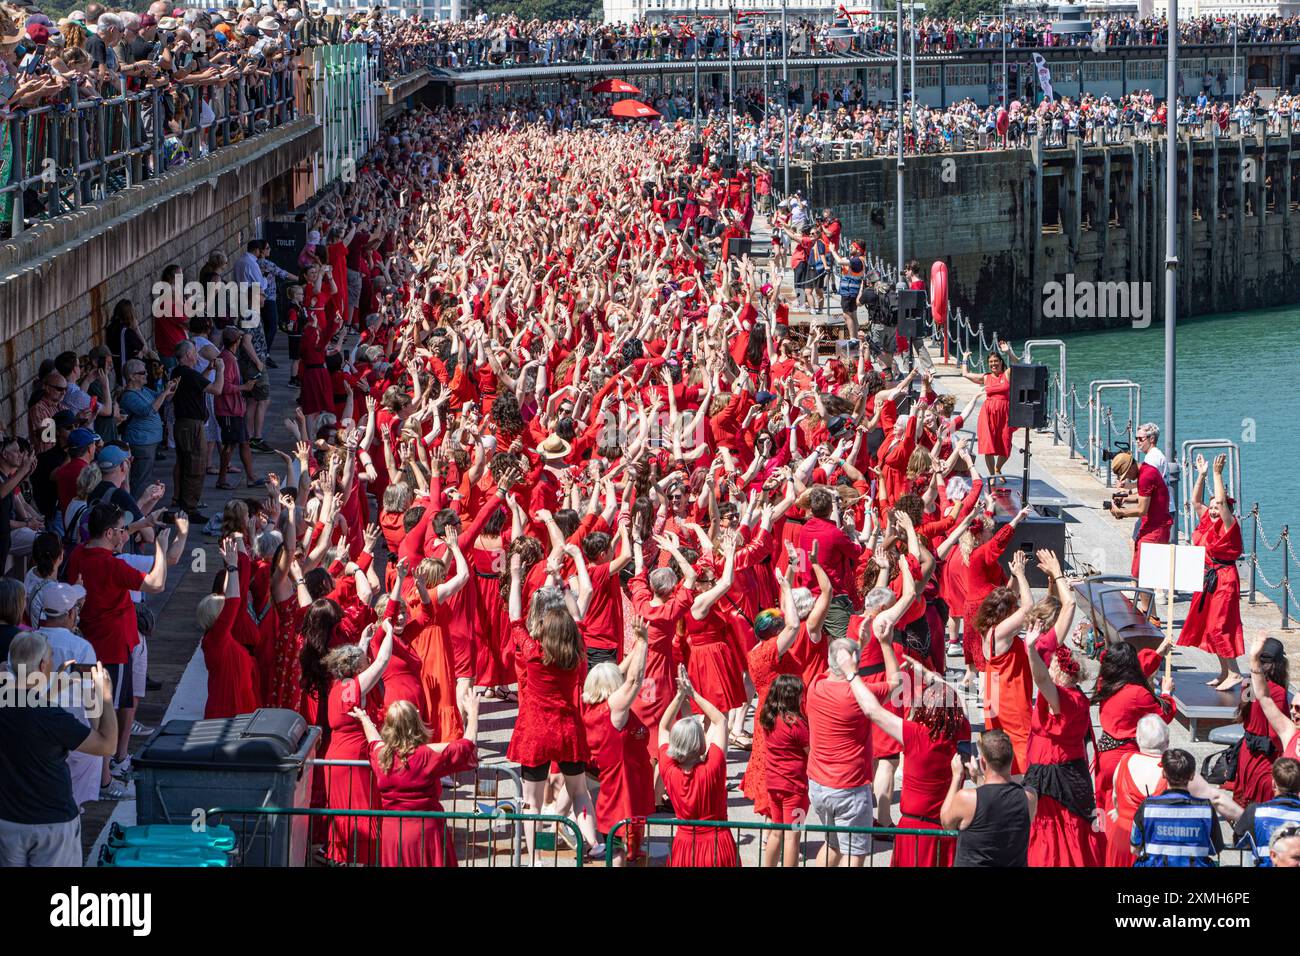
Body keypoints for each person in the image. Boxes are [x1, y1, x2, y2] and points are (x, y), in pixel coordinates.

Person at [64, 503, 169, 794]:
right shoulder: (111, 564)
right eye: (122, 529)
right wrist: (160, 548)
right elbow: (156, 584)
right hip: (112, 646)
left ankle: (101, 773)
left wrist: (141, 523)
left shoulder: (78, 555)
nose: (125, 533)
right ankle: (105, 779)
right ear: (110, 533)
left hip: (89, 643)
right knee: (105, 713)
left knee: (93, 709)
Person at [505, 552, 599, 858]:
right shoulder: (577, 649)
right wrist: (565, 589)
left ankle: (532, 858)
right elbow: (580, 620)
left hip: (535, 729)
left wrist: (517, 576)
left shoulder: (533, 653)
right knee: (580, 792)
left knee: (531, 800)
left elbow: (515, 620)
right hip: (568, 727)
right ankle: (593, 844)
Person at [0, 634, 118, 866]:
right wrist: (105, 696)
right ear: (43, 665)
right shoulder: (52, 717)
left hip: (7, 820)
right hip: (52, 821)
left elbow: (21, 702)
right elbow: (108, 745)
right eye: (51, 659)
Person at [352, 694, 480, 867]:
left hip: (394, 834)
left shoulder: (382, 757)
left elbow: (373, 740)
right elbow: (467, 745)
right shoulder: (426, 756)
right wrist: (473, 713)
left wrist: (364, 719)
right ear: (416, 724)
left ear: (389, 728)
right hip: (426, 831)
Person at [581, 617, 654, 866]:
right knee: (621, 853)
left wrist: (636, 643)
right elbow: (633, 680)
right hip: (622, 791)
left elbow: (619, 671)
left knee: (623, 849)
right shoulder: (614, 710)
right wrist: (644, 642)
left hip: (619, 783)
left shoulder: (592, 705)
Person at [658, 664, 737, 867]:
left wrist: (679, 695)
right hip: (718, 844)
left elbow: (663, 727)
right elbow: (720, 721)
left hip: (685, 847)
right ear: (700, 742)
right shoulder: (713, 767)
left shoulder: (669, 770)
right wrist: (693, 693)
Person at [1177, 454, 1244, 691]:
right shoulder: (1208, 520)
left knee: (1219, 626)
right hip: (1209, 578)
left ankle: (1235, 672)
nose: (1213, 510)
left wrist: (1217, 475)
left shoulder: (1229, 526)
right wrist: (1202, 475)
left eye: (1217, 507)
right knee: (1208, 625)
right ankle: (1225, 671)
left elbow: (1224, 505)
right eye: (1212, 506)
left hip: (1224, 580)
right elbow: (1195, 501)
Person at [943, 728, 1037, 867]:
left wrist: (957, 777)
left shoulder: (967, 799)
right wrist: (980, 779)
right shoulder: (1029, 797)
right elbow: (998, 800)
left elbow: (946, 822)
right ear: (1012, 759)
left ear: (982, 762)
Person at [1130, 748, 1224, 867]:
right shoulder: (1205, 809)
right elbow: (1215, 849)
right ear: (1191, 776)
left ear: (1163, 773)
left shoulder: (1147, 807)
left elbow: (1134, 849)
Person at [1228, 635, 1290, 809]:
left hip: (1247, 754)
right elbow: (1276, 733)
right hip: (1266, 758)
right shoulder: (1277, 692)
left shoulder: (1247, 683)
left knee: (1245, 806)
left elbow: (1246, 717)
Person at [1109, 450, 1172, 617]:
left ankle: (1150, 616)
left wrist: (1121, 513)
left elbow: (1142, 509)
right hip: (1152, 526)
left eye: (1126, 475)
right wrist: (1125, 499)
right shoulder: (1146, 471)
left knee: (1143, 574)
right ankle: (1149, 613)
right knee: (1140, 573)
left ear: (1130, 467)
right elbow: (1145, 497)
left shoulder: (1146, 476)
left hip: (1155, 528)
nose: (1127, 479)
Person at [1105, 714, 1170, 867]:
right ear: (1167, 742)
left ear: (1138, 740)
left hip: (1123, 836)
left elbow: (1116, 798)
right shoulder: (1170, 770)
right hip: (1155, 840)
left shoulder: (1125, 760)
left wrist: (1119, 811)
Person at [958, 343, 1013, 480]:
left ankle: (998, 467)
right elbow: (965, 374)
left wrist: (1008, 352)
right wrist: (964, 358)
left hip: (1005, 412)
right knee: (989, 445)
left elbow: (1016, 364)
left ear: (1001, 362)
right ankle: (993, 475)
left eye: (995, 361)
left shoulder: (1007, 374)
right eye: (990, 362)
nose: (993, 364)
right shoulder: (986, 377)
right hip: (988, 413)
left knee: (1006, 444)